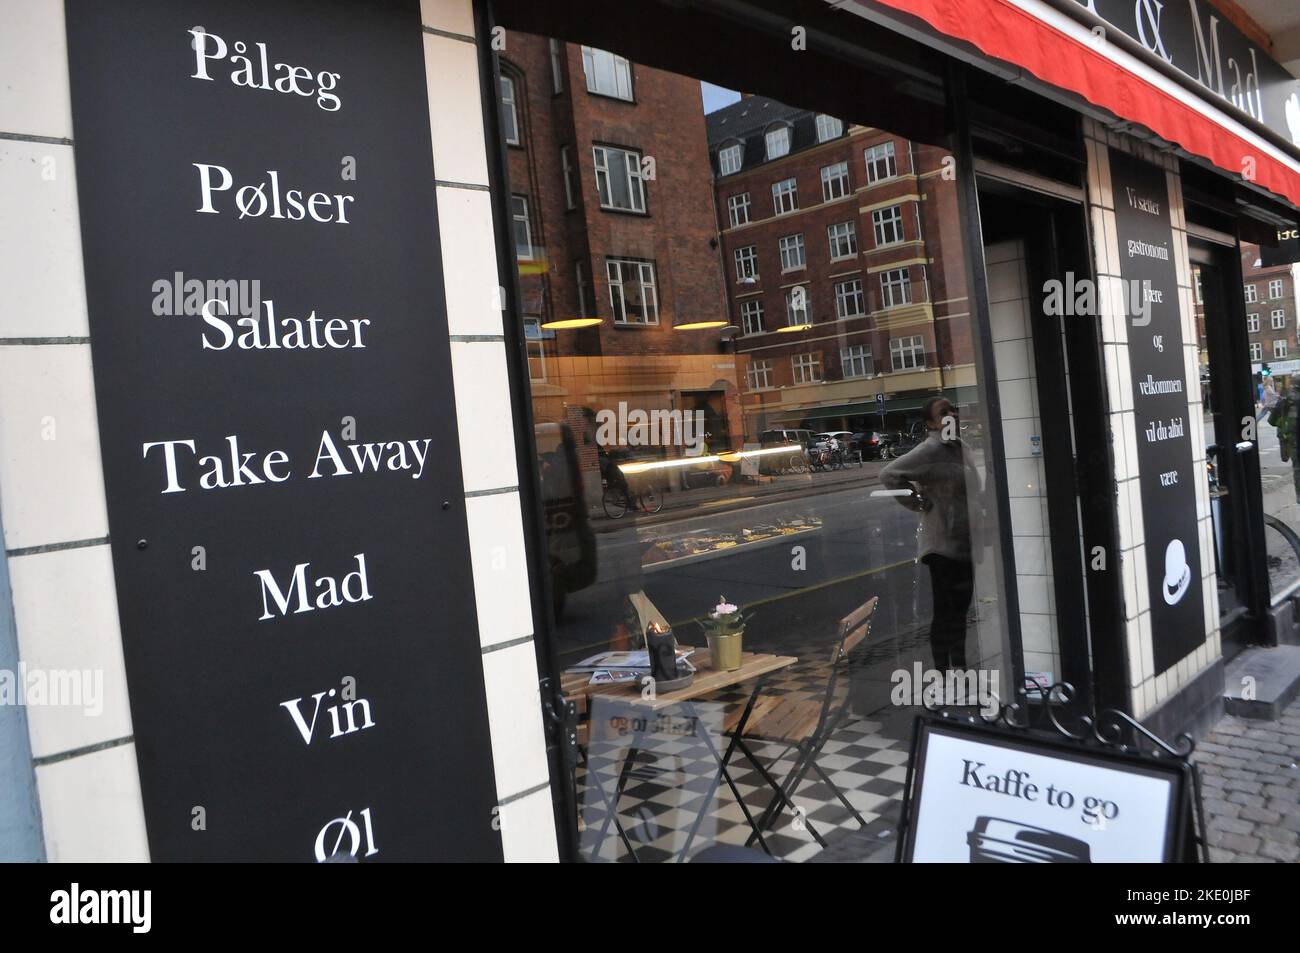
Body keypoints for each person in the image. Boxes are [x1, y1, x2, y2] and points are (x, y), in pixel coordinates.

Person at [880, 396, 975, 672]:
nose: (953, 414)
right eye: (944, 412)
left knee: (960, 612)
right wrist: (920, 503)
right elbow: (889, 474)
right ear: (932, 424)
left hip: (964, 541)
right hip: (941, 545)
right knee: (947, 613)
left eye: (953, 409)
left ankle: (959, 668)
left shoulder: (961, 448)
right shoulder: (931, 449)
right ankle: (945, 672)